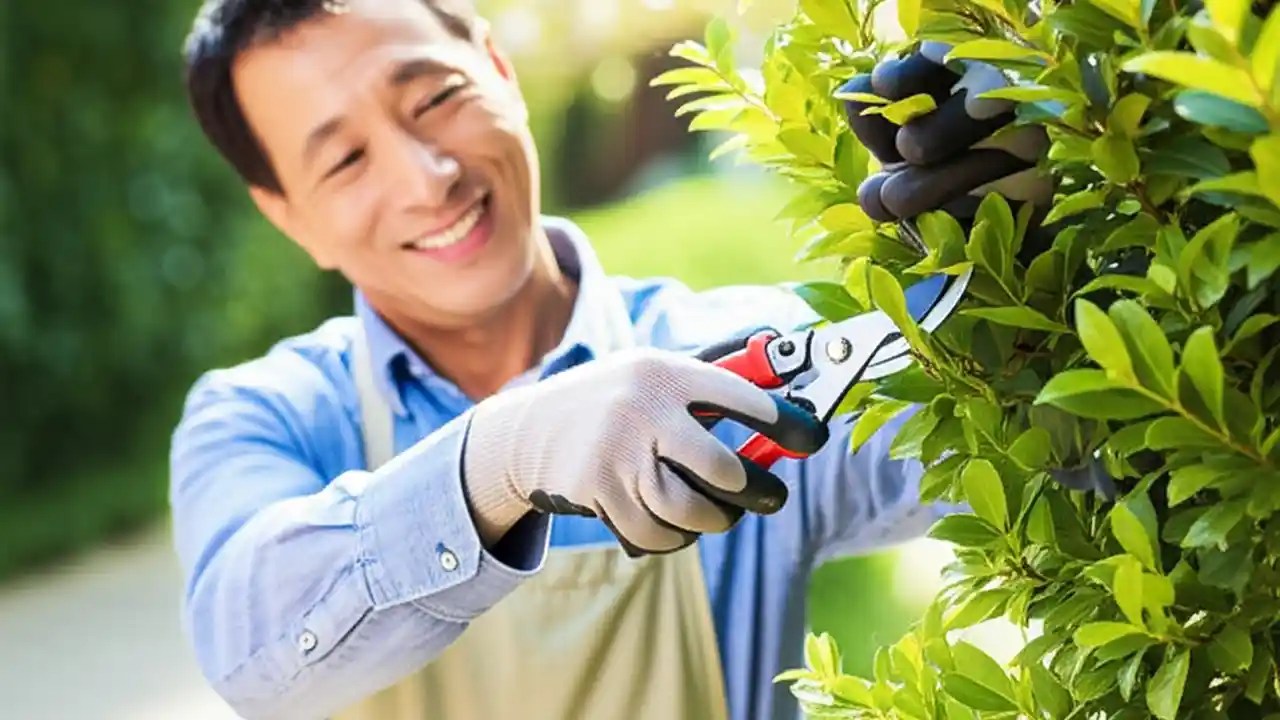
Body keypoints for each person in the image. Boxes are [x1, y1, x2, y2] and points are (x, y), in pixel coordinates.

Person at [168, 1, 1038, 718]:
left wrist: (1024, 268)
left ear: (500, 73)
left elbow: (1040, 463)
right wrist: (506, 455)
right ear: (287, 215)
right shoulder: (265, 414)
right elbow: (250, 652)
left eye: (435, 98)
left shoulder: (746, 356)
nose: (426, 176)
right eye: (347, 158)